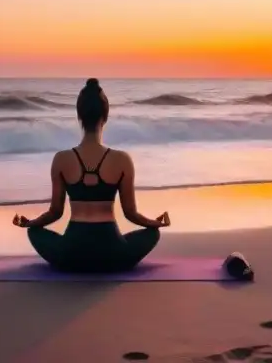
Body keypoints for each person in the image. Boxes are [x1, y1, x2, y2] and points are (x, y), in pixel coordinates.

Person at [13, 78, 170, 272]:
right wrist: (154, 223)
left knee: (34, 232)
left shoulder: (62, 159)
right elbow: (131, 214)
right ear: (105, 116)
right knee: (152, 234)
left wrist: (31, 223)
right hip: (112, 254)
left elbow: (55, 212)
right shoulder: (122, 160)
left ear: (79, 116)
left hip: (71, 254)